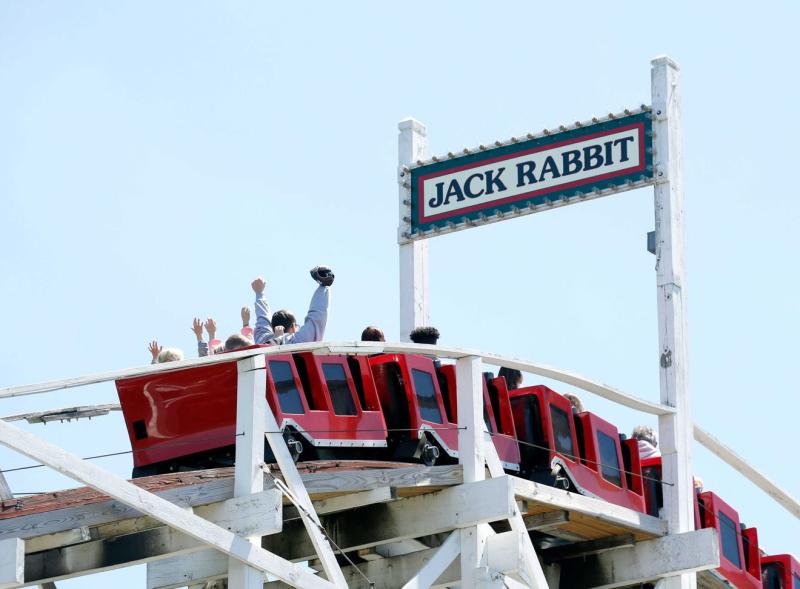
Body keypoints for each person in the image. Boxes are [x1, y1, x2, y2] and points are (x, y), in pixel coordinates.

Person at [252, 265, 334, 345]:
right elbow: (317, 316)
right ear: (293, 327)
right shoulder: (298, 341)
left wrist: (259, 293)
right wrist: (324, 285)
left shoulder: (262, 340)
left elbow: (262, 320)